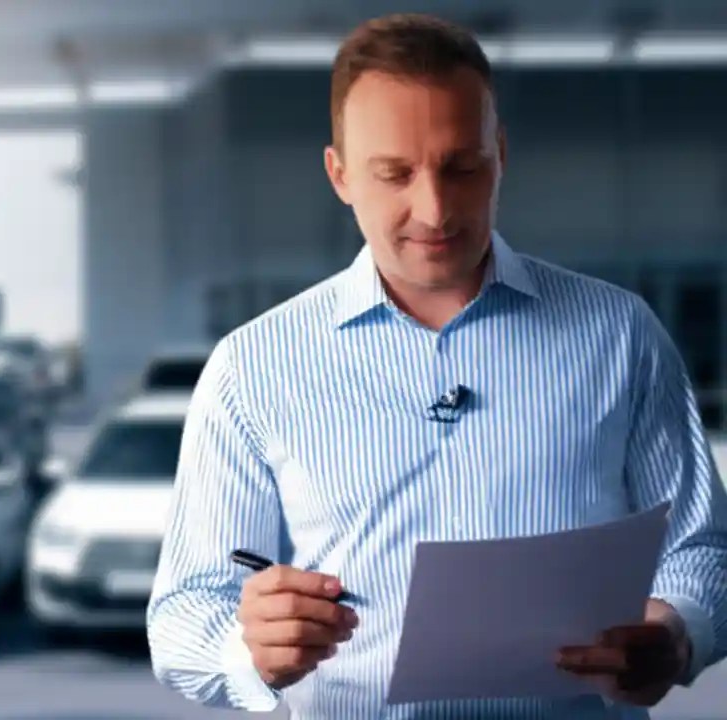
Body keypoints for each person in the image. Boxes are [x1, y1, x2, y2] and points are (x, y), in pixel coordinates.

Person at [146, 13, 727, 720]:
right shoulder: (252, 367)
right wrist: (247, 649)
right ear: (340, 175)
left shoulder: (620, 335)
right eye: (394, 174)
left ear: (501, 154)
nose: (435, 209)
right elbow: (181, 613)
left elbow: (703, 551)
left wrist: (675, 633)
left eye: (462, 166)